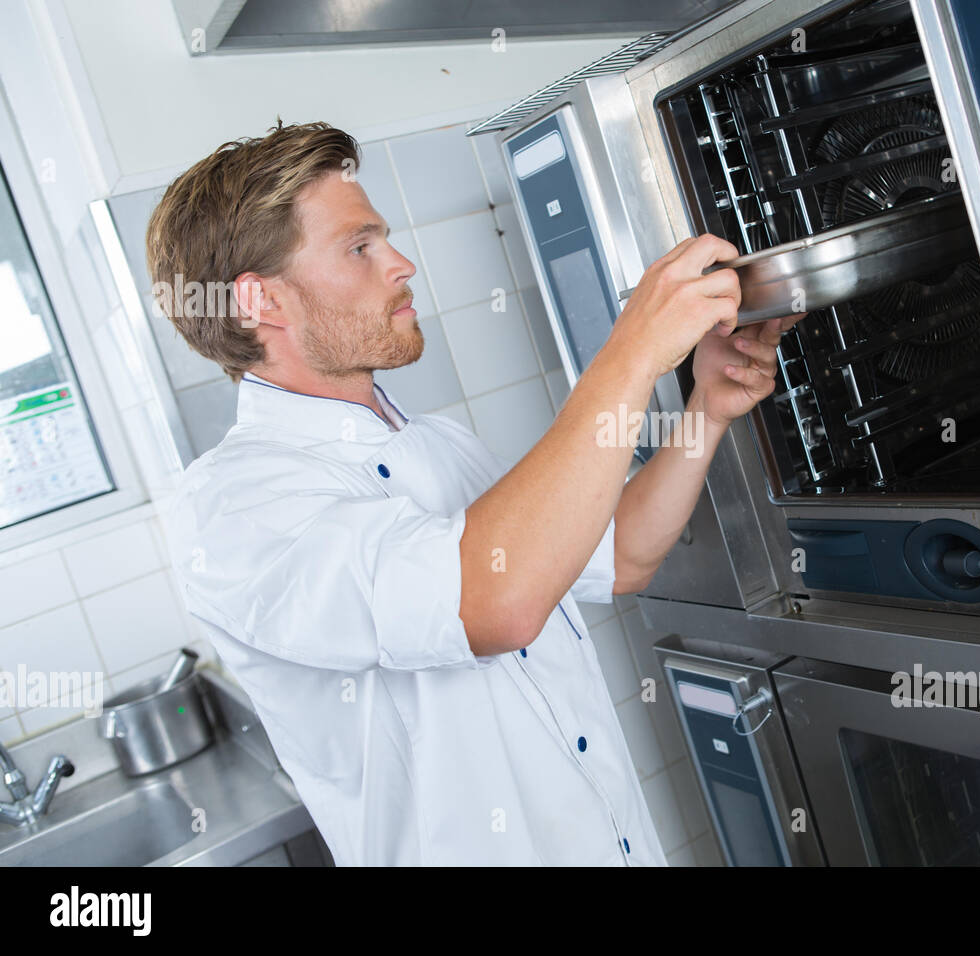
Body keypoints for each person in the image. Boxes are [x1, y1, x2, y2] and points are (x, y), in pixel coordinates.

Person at [151, 119, 803, 865]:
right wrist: (631, 350)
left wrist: (706, 408)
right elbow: (493, 603)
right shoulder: (233, 506)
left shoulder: (434, 443)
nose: (401, 264)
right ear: (262, 302)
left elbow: (620, 555)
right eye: (360, 247)